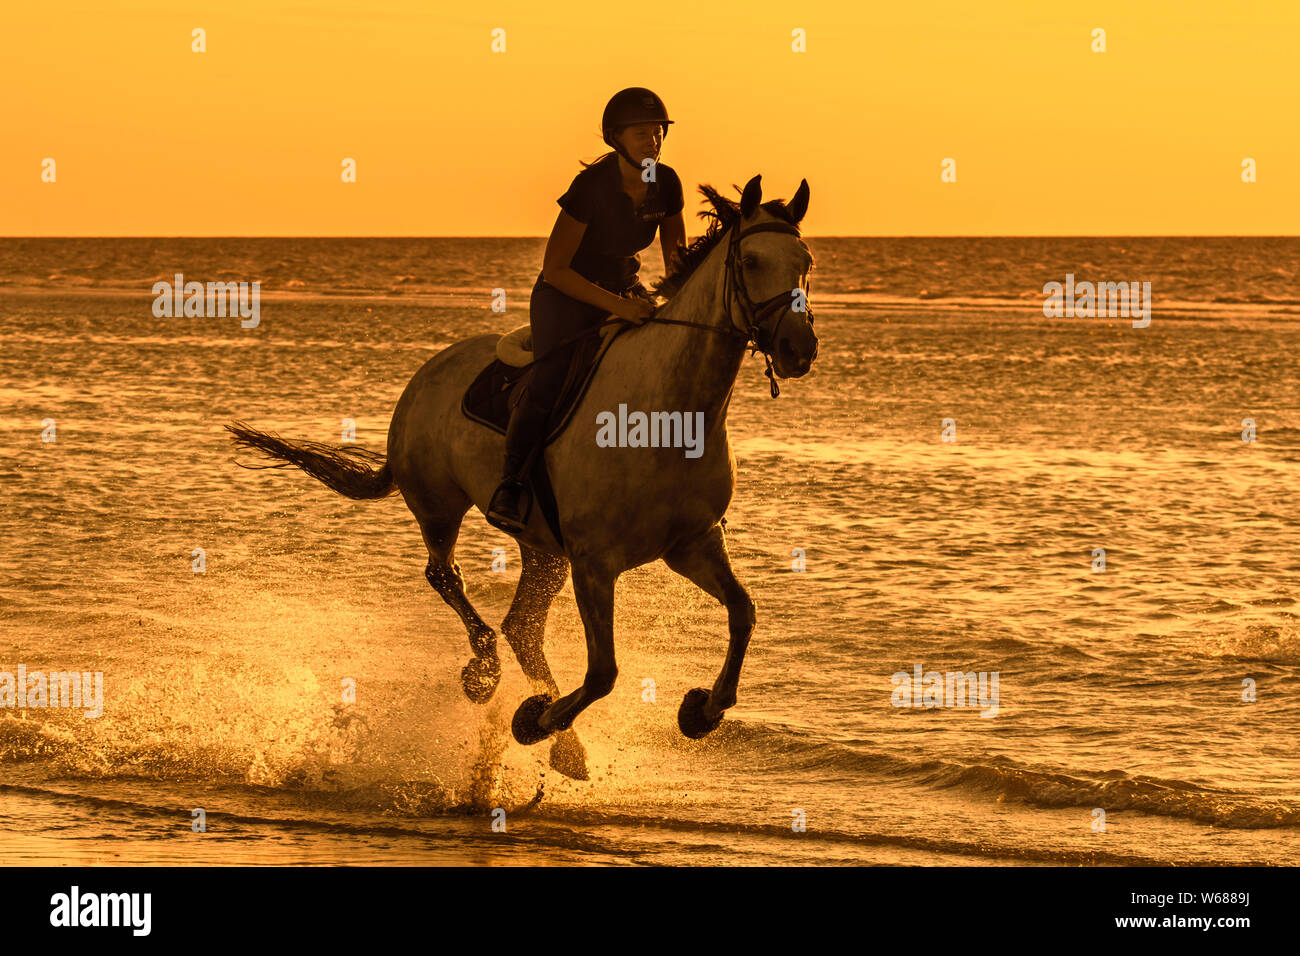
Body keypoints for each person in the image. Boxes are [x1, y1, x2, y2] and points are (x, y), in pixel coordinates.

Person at [485, 87, 688, 534]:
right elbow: (555, 270)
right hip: (566, 295)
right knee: (551, 377)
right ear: (615, 137)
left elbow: (678, 264)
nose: (653, 140)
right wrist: (620, 307)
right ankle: (512, 484)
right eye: (641, 133)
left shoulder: (668, 182)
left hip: (625, 290)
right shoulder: (591, 187)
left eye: (658, 132)